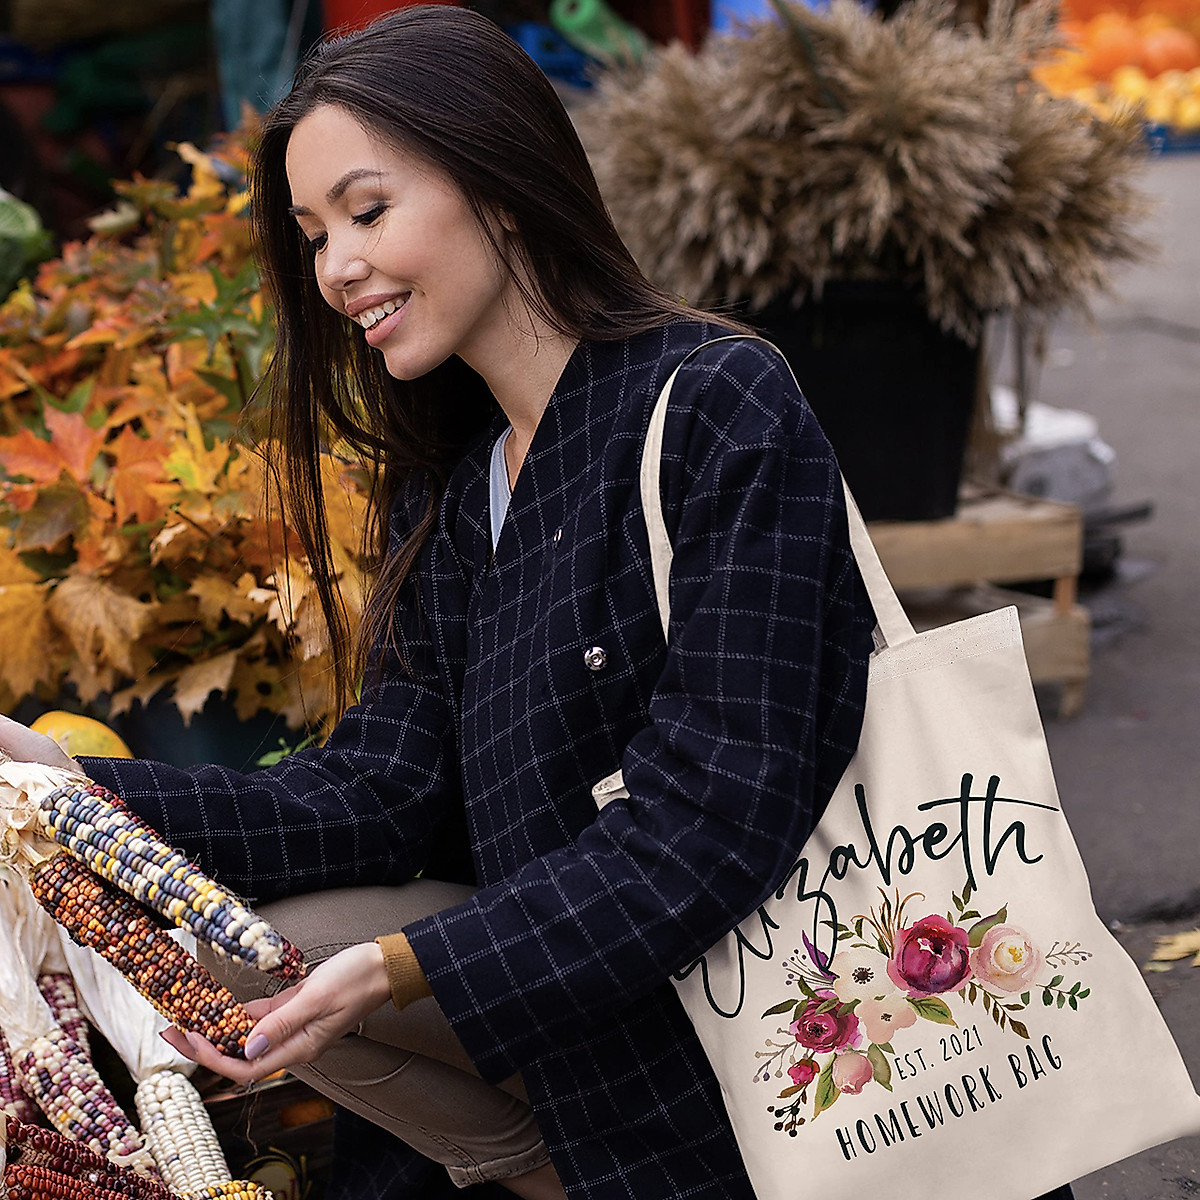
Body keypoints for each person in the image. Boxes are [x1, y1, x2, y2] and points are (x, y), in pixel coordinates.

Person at [0, 8, 1072, 1200]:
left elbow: (707, 824)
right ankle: (555, 1175)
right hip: (583, 1003)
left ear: (500, 183)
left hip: (782, 1021)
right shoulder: (457, 489)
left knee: (337, 959)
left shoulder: (715, 401)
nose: (336, 266)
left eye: (367, 211)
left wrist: (405, 967)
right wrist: (67, 789)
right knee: (221, 941)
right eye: (313, 234)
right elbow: (378, 791)